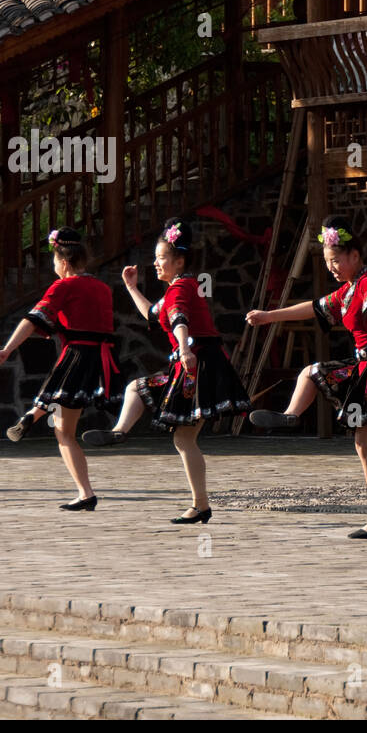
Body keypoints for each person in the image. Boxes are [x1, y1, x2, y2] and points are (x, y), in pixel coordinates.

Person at [245, 216, 367, 539]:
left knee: (365, 443)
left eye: (336, 260)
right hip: (364, 366)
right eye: (328, 262)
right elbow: (313, 307)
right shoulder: (347, 291)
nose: (332, 267)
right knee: (312, 375)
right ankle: (290, 416)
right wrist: (270, 316)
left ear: (354, 255)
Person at [82, 218, 251, 524]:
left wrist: (185, 349)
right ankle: (119, 433)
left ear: (179, 261)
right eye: (156, 258)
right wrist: (131, 287)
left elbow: (179, 318)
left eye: (161, 259)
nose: (156, 264)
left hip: (196, 362)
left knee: (184, 439)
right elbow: (153, 313)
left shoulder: (182, 288)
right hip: (192, 362)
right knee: (138, 390)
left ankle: (201, 505)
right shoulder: (178, 287)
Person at [0, 227, 122, 512]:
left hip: (74, 357)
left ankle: (84, 491)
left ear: (63, 262)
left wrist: (7, 349)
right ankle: (35, 414)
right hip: (102, 360)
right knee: (62, 417)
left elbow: (32, 320)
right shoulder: (102, 288)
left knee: (63, 431)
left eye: (53, 261)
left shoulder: (63, 286)